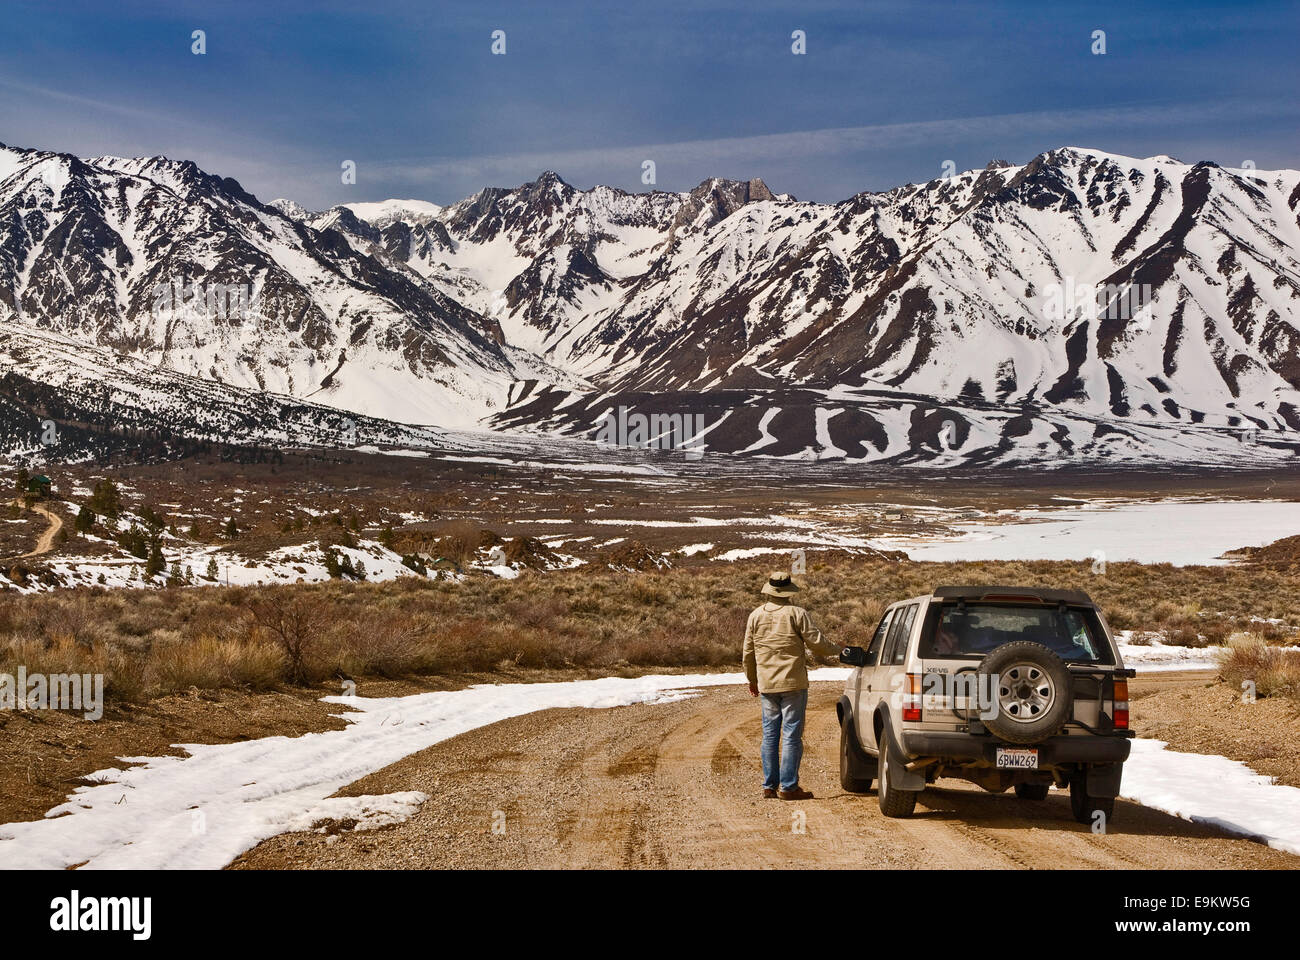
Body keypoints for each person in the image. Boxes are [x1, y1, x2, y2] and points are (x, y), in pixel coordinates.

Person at [743, 570, 840, 800]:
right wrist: (840, 650)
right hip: (793, 683)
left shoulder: (755, 616)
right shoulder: (797, 613)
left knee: (769, 735)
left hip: (767, 684)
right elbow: (817, 644)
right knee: (791, 735)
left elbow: (748, 652)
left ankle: (769, 786)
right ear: (788, 591)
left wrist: (752, 679)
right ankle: (788, 787)